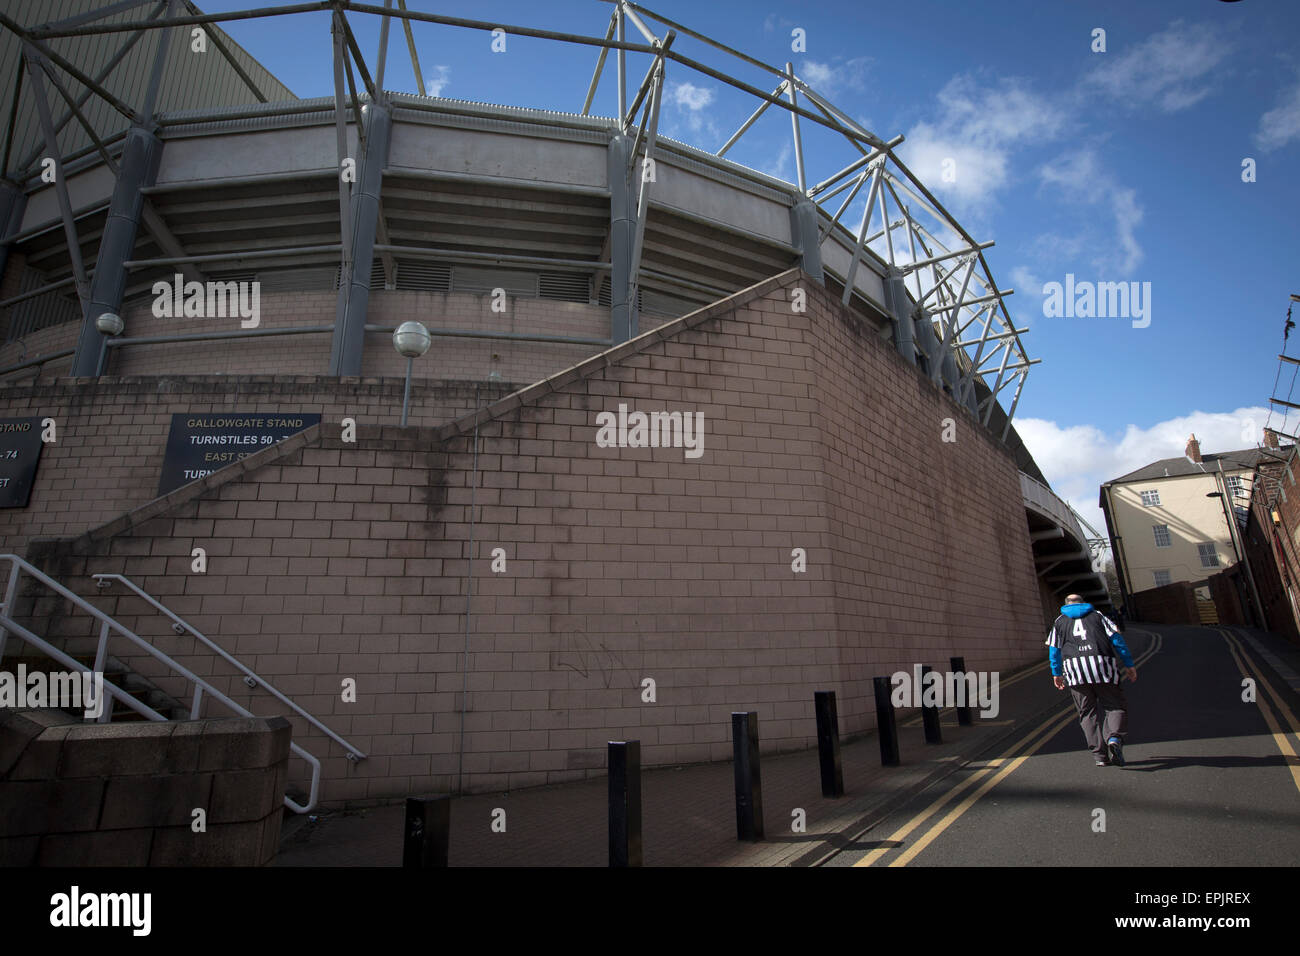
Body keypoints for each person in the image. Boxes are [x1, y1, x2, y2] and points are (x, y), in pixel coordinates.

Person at [1045, 594, 1137, 767]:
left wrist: (1056, 673)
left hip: (1075, 671)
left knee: (1087, 713)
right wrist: (1129, 664)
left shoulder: (1059, 621)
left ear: (1066, 605)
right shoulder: (1098, 615)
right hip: (1103, 666)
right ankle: (1114, 737)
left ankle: (1100, 756)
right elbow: (1117, 640)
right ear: (1083, 602)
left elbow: (1054, 650)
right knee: (1115, 706)